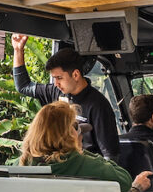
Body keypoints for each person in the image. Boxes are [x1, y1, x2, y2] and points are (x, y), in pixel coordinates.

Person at [11, 34, 121, 162]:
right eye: (54, 78)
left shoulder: (98, 105)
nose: (56, 84)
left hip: (85, 168)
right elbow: (23, 86)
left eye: (59, 78)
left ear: (75, 74)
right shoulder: (55, 91)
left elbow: (110, 156)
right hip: (58, 164)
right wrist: (18, 50)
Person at [17, 102, 146, 192]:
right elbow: (124, 180)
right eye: (76, 128)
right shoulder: (83, 163)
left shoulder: (24, 164)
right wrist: (79, 151)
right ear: (69, 134)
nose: (81, 136)